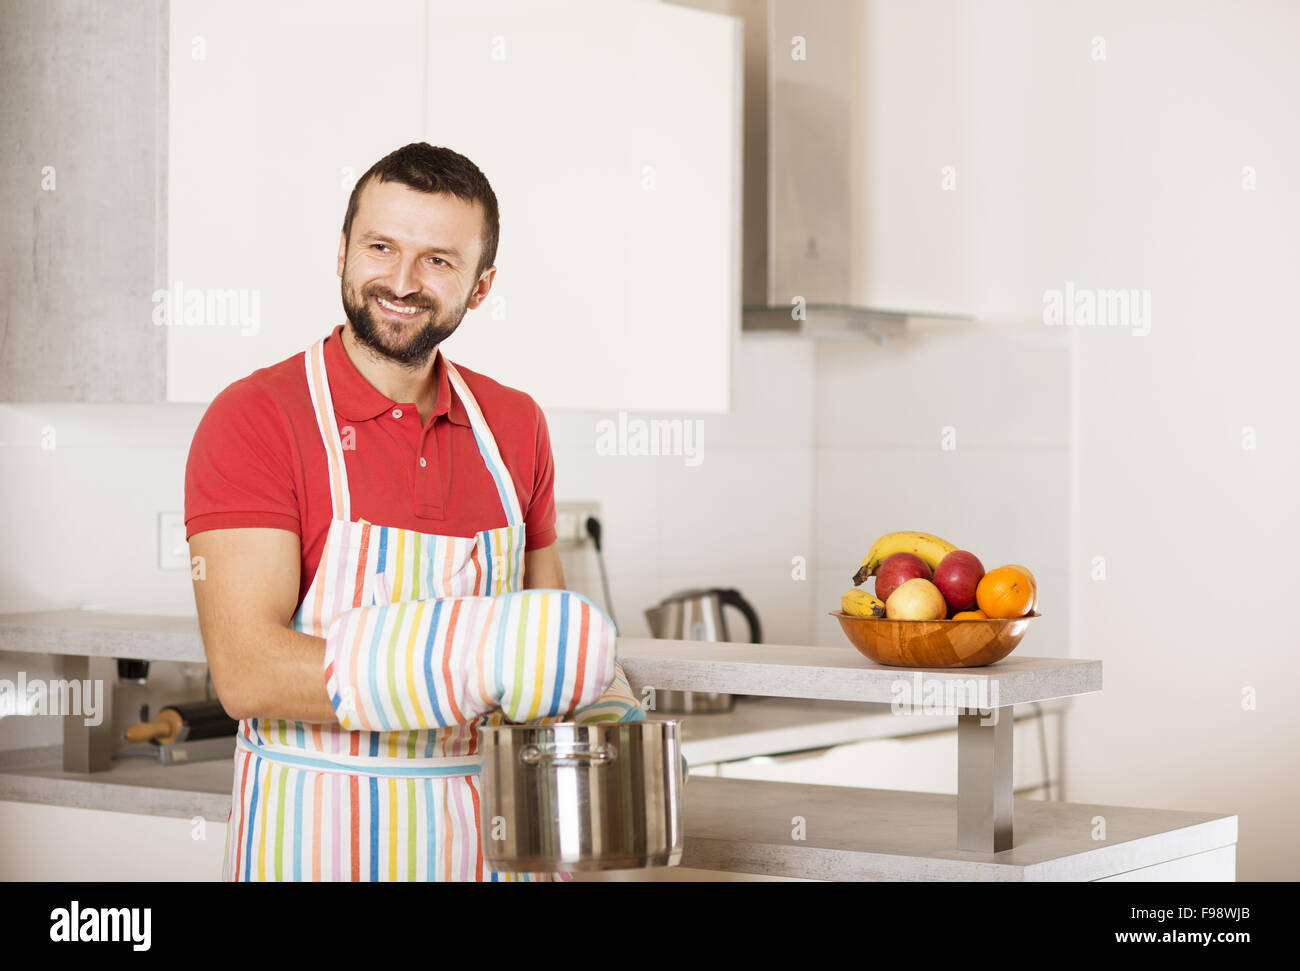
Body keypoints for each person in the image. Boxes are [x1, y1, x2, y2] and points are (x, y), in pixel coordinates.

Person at [184, 143, 643, 881]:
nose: (400, 281)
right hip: (316, 840)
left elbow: (554, 647)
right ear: (341, 253)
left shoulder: (514, 425)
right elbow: (248, 673)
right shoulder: (258, 417)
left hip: (491, 848)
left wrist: (611, 722)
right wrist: (487, 661)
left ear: (481, 285)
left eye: (437, 260)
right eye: (380, 247)